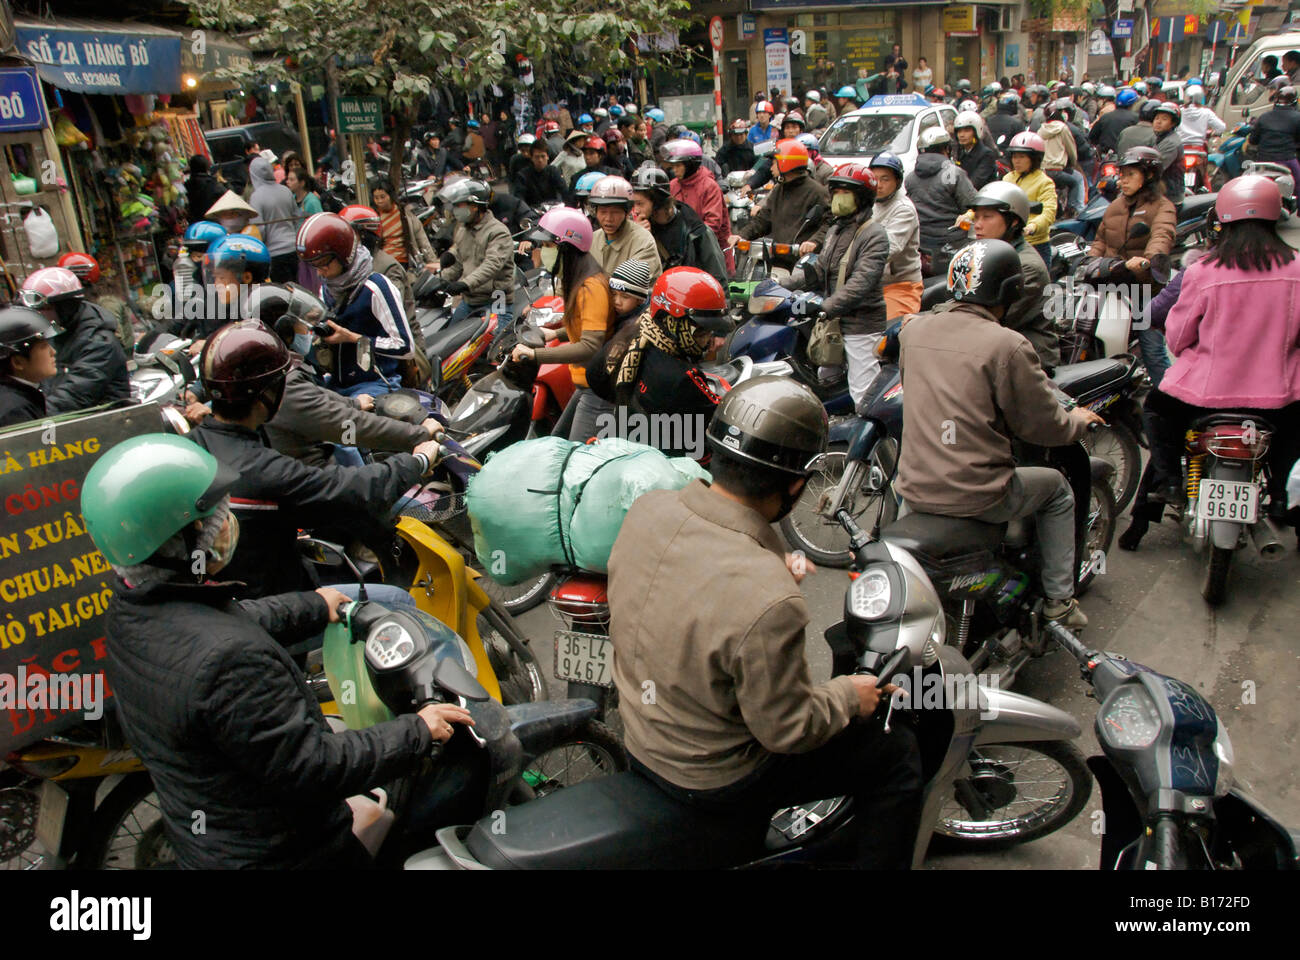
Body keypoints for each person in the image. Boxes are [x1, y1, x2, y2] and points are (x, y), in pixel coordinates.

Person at [81, 433, 472, 869]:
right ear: (189, 536)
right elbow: (313, 766)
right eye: (216, 513)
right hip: (292, 853)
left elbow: (227, 619)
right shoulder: (230, 663)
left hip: (213, 838)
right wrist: (417, 730)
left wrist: (315, 604)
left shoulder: (133, 608)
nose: (227, 521)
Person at [607, 375, 922, 868]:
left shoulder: (648, 510)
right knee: (896, 755)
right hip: (713, 777)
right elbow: (788, 728)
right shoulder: (772, 600)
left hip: (642, 735)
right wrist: (850, 696)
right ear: (797, 484)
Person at [896, 239, 1103, 626]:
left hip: (914, 489)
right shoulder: (1008, 345)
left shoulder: (913, 332)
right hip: (980, 496)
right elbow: (1042, 426)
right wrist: (1079, 421)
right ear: (1009, 292)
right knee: (1058, 488)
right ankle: (1060, 599)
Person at [190, 320, 439, 597]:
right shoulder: (266, 469)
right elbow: (351, 489)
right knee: (398, 599)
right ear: (267, 393)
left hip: (243, 586)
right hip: (279, 602)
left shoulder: (193, 446)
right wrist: (417, 461)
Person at [1121, 175, 1300, 549]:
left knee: (1157, 411)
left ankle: (1170, 484)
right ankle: (1281, 496)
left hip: (1203, 397)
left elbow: (1177, 334)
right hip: (1280, 398)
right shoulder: (1297, 270)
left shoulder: (1203, 272)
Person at [247, 284, 438, 466]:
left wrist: (353, 404)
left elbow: (315, 398)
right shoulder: (283, 383)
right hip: (320, 484)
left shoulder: (266, 371)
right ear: (285, 332)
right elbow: (350, 427)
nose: (309, 333)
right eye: (302, 326)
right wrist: (418, 434)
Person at [591, 268, 731, 458]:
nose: (708, 340)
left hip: (626, 446)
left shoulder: (631, 336)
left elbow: (594, 376)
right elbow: (720, 422)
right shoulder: (682, 379)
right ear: (672, 322)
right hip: (670, 468)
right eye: (701, 332)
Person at [509, 207, 615, 441]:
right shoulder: (578, 280)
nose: (543, 252)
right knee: (557, 442)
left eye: (548, 246)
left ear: (567, 248)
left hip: (599, 389)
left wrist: (535, 355)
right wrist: (553, 334)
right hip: (587, 384)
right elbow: (584, 327)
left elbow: (590, 345)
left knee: (574, 458)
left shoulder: (591, 287)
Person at [296, 212, 417, 398]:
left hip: (375, 384)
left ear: (343, 254)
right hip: (337, 382)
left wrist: (353, 338)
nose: (320, 272)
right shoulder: (327, 289)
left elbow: (405, 347)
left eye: (323, 264)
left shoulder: (376, 287)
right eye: (314, 266)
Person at [800, 163, 890, 405]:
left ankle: (874, 440)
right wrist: (781, 284)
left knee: (864, 395)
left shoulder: (874, 235)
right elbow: (819, 270)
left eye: (845, 193)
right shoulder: (835, 230)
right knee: (824, 382)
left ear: (861, 198)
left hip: (861, 324)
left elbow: (860, 283)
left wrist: (824, 306)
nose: (838, 198)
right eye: (836, 192)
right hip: (833, 323)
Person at [968, 182, 1058, 371]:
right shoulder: (985, 255)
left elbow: (990, 318)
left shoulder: (1026, 266)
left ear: (1013, 221)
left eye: (987, 217)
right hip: (994, 348)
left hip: (1027, 357)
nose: (978, 224)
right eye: (976, 217)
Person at [18, 267, 129, 415]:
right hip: (71, 426)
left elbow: (72, 397)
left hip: (103, 425)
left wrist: (29, 417)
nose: (40, 315)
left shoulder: (100, 343)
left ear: (66, 306)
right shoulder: (57, 334)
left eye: (46, 308)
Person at [730, 140, 830, 269]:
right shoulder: (779, 189)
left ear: (786, 162)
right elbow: (763, 220)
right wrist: (741, 235)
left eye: (773, 163)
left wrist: (813, 242)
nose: (771, 168)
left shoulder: (817, 192)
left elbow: (829, 224)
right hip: (776, 262)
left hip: (803, 266)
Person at [434, 178, 516, 327]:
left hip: (496, 301)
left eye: (459, 205)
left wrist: (464, 284)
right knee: (450, 339)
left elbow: (491, 265)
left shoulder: (498, 232)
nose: (455, 209)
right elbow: (458, 262)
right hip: (470, 301)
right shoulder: (463, 229)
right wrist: (438, 281)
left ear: (475, 206)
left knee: (497, 346)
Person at [630, 167, 727, 286]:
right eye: (633, 204)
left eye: (640, 204)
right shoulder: (639, 227)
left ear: (657, 201)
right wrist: (638, 239)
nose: (636, 210)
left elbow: (718, 277)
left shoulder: (696, 230)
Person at [975, 131, 1055, 266]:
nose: (1017, 161)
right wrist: (969, 214)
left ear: (1034, 158)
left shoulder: (1044, 182)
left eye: (1022, 156)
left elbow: (1049, 212)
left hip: (1035, 243)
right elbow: (990, 201)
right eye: (1014, 156)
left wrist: (1032, 227)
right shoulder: (1008, 178)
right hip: (1009, 241)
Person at [905, 128, 978, 273]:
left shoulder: (911, 177)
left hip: (920, 245)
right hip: (951, 246)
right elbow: (974, 204)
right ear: (946, 149)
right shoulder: (954, 173)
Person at [867, 152, 923, 320]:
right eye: (875, 178)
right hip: (867, 284)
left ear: (897, 182)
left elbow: (889, 248)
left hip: (899, 285)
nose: (879, 185)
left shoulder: (903, 209)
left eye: (885, 179)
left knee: (886, 334)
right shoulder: (867, 202)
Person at [663, 139, 732, 259]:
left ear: (690, 165)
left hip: (709, 252)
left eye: (678, 166)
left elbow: (712, 224)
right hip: (679, 253)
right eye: (673, 166)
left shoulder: (709, 187)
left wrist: (688, 241)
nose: (675, 170)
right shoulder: (673, 185)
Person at [586, 175, 662, 277]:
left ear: (626, 212)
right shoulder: (591, 241)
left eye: (615, 212)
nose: (608, 218)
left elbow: (629, 288)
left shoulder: (643, 242)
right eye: (603, 212)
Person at [0, 306, 62, 427]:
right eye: (43, 347)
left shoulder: (18, 397)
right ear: (18, 362)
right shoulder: (14, 413)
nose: (53, 352)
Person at [246, 156, 302, 284]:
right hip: (293, 249)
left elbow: (259, 229)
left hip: (274, 253)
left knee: (283, 292)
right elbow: (295, 217)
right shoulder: (285, 191)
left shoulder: (256, 197)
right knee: (297, 287)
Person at [372, 183, 437, 272]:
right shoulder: (374, 218)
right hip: (385, 265)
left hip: (405, 263)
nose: (379, 201)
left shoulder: (405, 215)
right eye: (376, 198)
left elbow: (421, 239)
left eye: (382, 197)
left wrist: (433, 262)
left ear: (390, 196)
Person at [1039, 100, 1085, 215]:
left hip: (1043, 170)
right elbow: (1071, 149)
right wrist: (1074, 162)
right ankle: (1073, 209)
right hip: (1057, 170)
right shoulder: (1063, 128)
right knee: (1077, 180)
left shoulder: (1041, 129)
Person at [1249, 86, 1300, 188]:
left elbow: (1253, 140)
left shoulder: (1263, 117)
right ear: (1295, 102)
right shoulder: (1297, 118)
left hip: (1263, 162)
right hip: (1287, 161)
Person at [513, 139, 569, 207]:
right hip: (531, 212)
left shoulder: (553, 171)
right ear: (532, 158)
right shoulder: (522, 176)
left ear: (547, 157)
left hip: (552, 210)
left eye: (543, 156)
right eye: (537, 157)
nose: (540, 160)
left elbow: (565, 191)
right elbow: (519, 199)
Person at [1150, 102, 1185, 205]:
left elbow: (1156, 168)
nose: (1158, 122)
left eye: (1164, 119)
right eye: (1157, 118)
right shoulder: (1159, 138)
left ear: (1173, 123)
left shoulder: (1170, 143)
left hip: (1169, 196)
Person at [953, 111, 999, 189]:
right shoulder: (960, 152)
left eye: (967, 130)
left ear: (976, 131)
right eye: (959, 131)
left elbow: (975, 183)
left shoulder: (986, 155)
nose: (962, 135)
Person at [1090, 87, 1140, 156]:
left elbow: (1092, 136)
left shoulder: (1105, 117)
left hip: (1106, 155)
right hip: (1126, 156)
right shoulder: (1136, 118)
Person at [185, 155, 225, 222]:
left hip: (195, 224)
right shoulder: (212, 183)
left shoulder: (186, 186)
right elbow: (227, 195)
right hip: (213, 223)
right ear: (206, 167)